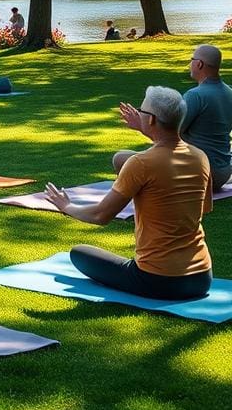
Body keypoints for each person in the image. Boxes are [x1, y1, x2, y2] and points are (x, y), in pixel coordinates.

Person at [45, 86, 212, 300]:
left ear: (151, 120)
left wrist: (66, 206)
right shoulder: (200, 157)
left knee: (79, 253)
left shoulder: (140, 164)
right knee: (122, 157)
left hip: (158, 280)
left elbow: (100, 215)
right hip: (201, 277)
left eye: (141, 110)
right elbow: (203, 208)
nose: (138, 113)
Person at [117, 45, 232, 192]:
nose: (190, 64)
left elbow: (170, 140)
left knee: (120, 158)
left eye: (192, 60)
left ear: (199, 64)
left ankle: (137, 199)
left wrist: (141, 125)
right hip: (223, 172)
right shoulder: (229, 92)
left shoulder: (196, 95)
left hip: (199, 172)